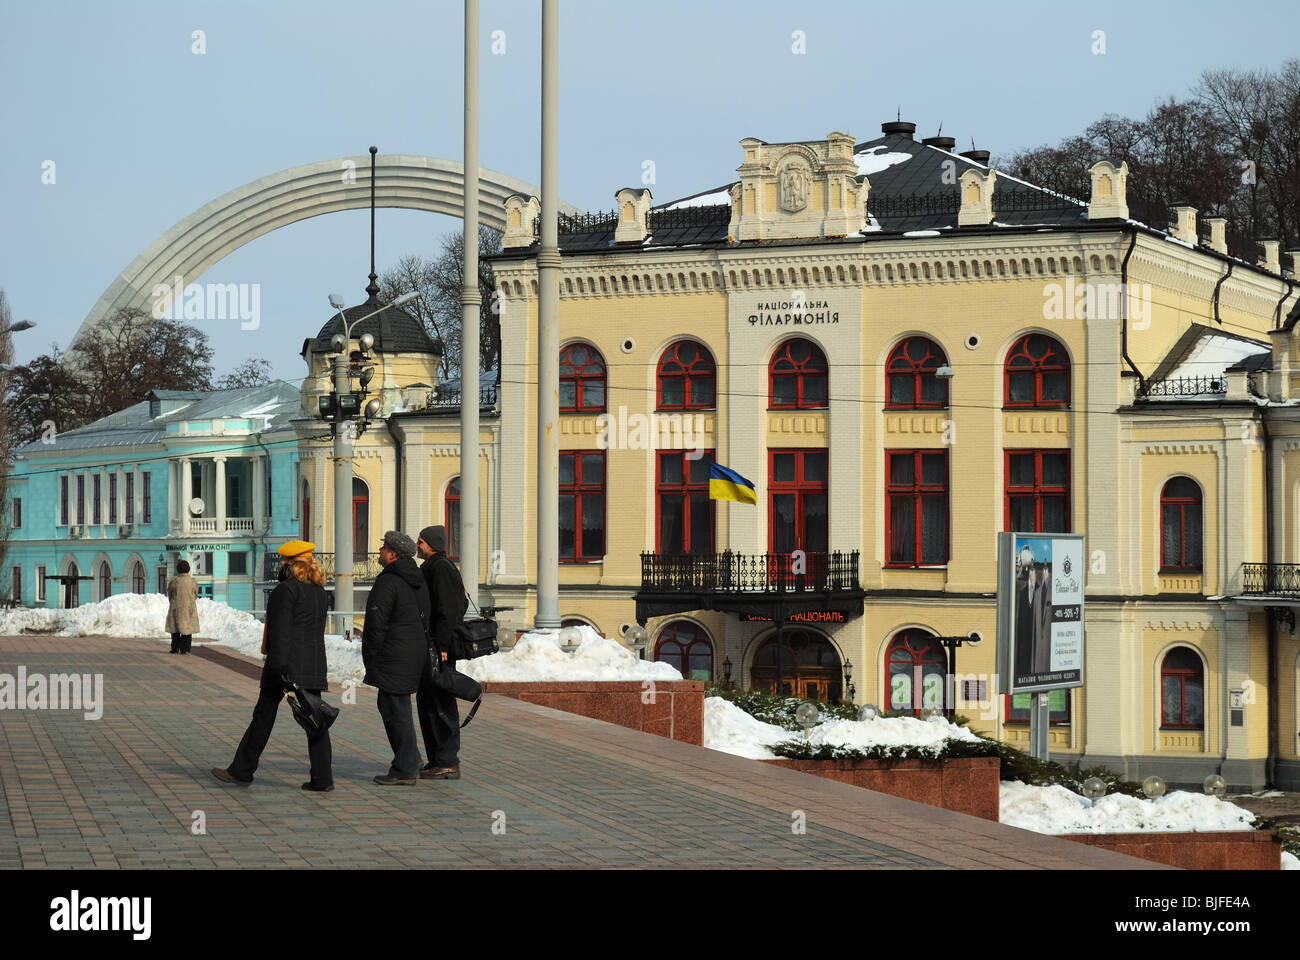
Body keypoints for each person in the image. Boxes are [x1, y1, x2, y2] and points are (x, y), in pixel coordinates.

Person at [212, 540, 333, 791]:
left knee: (263, 717)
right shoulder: (319, 592)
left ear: (292, 565)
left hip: (285, 666)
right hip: (312, 665)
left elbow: (280, 634)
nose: (281, 566)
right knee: (314, 720)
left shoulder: (286, 591)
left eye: (284, 562)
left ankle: (242, 770)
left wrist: (277, 669)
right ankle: (322, 779)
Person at [362, 530, 431, 786]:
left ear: (392, 554)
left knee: (394, 710)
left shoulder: (388, 581)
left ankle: (406, 767)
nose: (379, 552)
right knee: (397, 707)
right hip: (412, 653)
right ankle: (410, 760)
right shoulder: (417, 579)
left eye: (383, 548)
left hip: (392, 655)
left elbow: (376, 623)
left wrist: (371, 655)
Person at [415, 525, 469, 780]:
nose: (418, 546)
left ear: (432, 545)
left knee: (440, 702)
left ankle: (447, 761)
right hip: (434, 646)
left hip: (440, 649)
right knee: (429, 701)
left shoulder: (440, 569)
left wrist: (444, 646)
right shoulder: (435, 567)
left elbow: (447, 610)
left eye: (421, 542)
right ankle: (438, 758)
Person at [165, 560, 199, 654]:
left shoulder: (174, 581)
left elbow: (170, 593)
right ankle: (185, 649)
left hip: (176, 608)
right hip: (189, 609)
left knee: (175, 630)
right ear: (188, 569)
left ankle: (175, 648)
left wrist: (173, 602)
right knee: (187, 630)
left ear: (178, 569)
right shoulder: (192, 581)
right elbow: (195, 594)